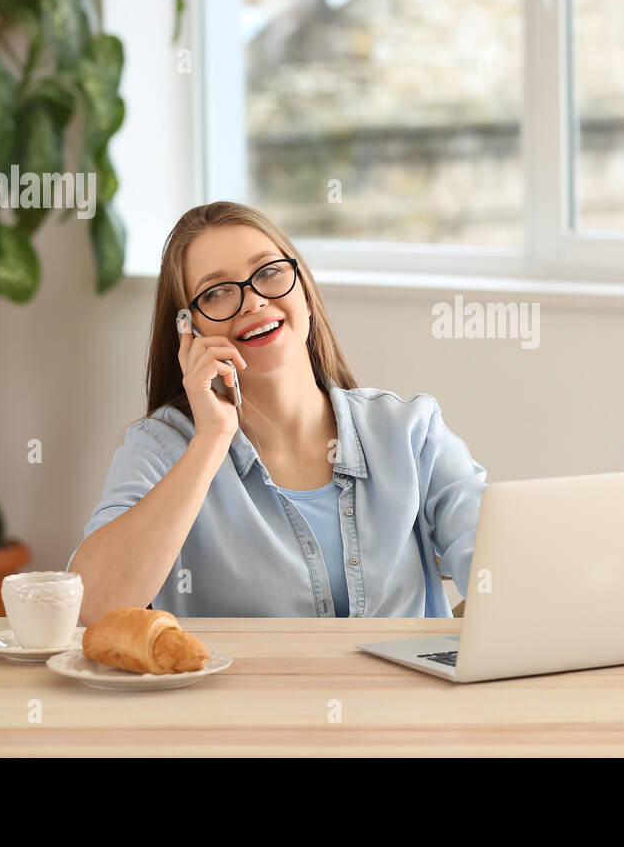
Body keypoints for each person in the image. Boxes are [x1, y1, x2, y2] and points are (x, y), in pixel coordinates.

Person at [68, 201, 486, 624]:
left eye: (268, 273)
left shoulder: (408, 430)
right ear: (189, 331)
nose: (252, 302)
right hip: (249, 692)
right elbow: (92, 606)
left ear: (304, 291)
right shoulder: (162, 447)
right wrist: (211, 441)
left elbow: (502, 570)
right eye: (216, 292)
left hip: (401, 692)